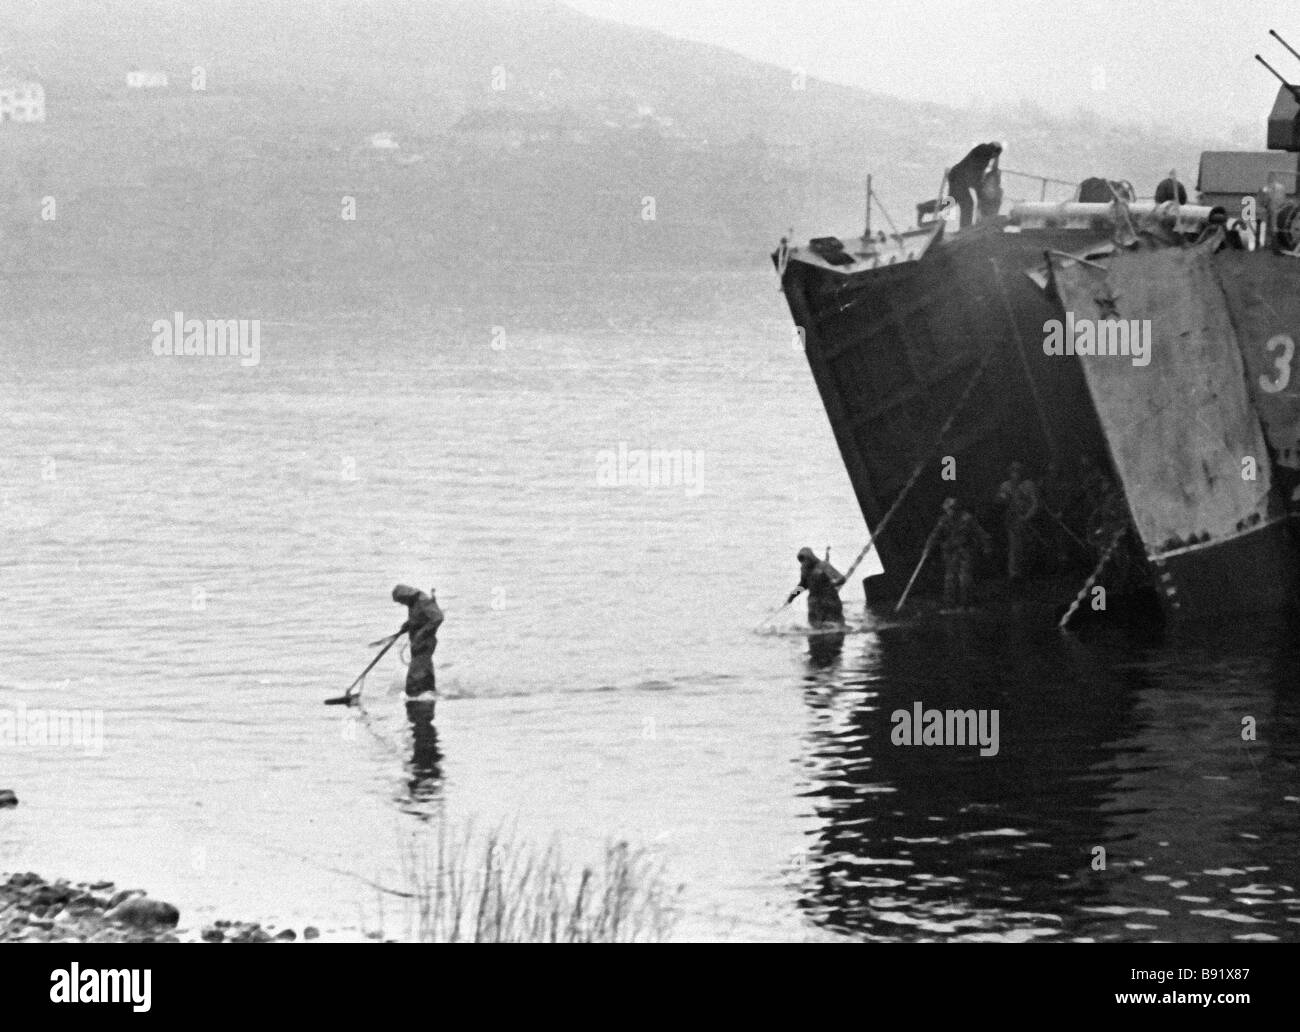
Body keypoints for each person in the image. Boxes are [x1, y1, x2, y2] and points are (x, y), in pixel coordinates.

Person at [392, 584, 443, 701]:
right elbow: (420, 618)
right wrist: (408, 624)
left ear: (405, 596)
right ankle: (428, 694)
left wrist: (422, 633)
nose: (401, 603)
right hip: (419, 642)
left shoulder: (422, 600)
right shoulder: (414, 602)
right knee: (424, 669)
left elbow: (438, 617)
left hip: (425, 642)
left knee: (416, 672)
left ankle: (414, 697)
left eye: (401, 601)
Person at [937, 498, 990, 608]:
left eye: (952, 509)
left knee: (965, 578)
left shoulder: (967, 518)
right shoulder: (944, 519)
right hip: (951, 552)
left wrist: (986, 546)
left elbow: (980, 533)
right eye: (948, 509)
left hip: (965, 550)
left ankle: (966, 603)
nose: (950, 512)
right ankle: (950, 604)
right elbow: (935, 534)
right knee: (949, 578)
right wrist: (928, 547)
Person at [996, 461, 1040, 580]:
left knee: (1029, 546)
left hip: (1028, 520)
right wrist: (1003, 499)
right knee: (1014, 547)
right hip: (1013, 521)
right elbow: (1000, 503)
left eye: (1018, 471)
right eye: (1013, 471)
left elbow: (1035, 503)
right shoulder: (1005, 486)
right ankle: (1014, 574)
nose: (1015, 474)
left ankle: (1030, 571)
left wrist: (1027, 516)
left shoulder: (1029, 485)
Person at [947, 142, 1002, 228]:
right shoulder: (984, 152)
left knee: (951, 201)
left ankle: (924, 208)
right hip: (958, 178)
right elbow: (975, 176)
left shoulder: (985, 154)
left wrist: (997, 155)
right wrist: (979, 193)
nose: (993, 159)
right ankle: (965, 229)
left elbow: (977, 176)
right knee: (967, 203)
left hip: (957, 176)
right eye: (995, 157)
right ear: (994, 152)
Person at [788, 547, 846, 627]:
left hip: (829, 600)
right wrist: (792, 596)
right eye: (802, 561)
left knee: (834, 624)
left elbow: (841, 578)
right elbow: (803, 585)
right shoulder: (804, 569)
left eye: (805, 560)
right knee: (815, 626)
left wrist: (834, 584)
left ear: (811, 557)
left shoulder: (823, 566)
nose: (804, 563)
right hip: (814, 603)